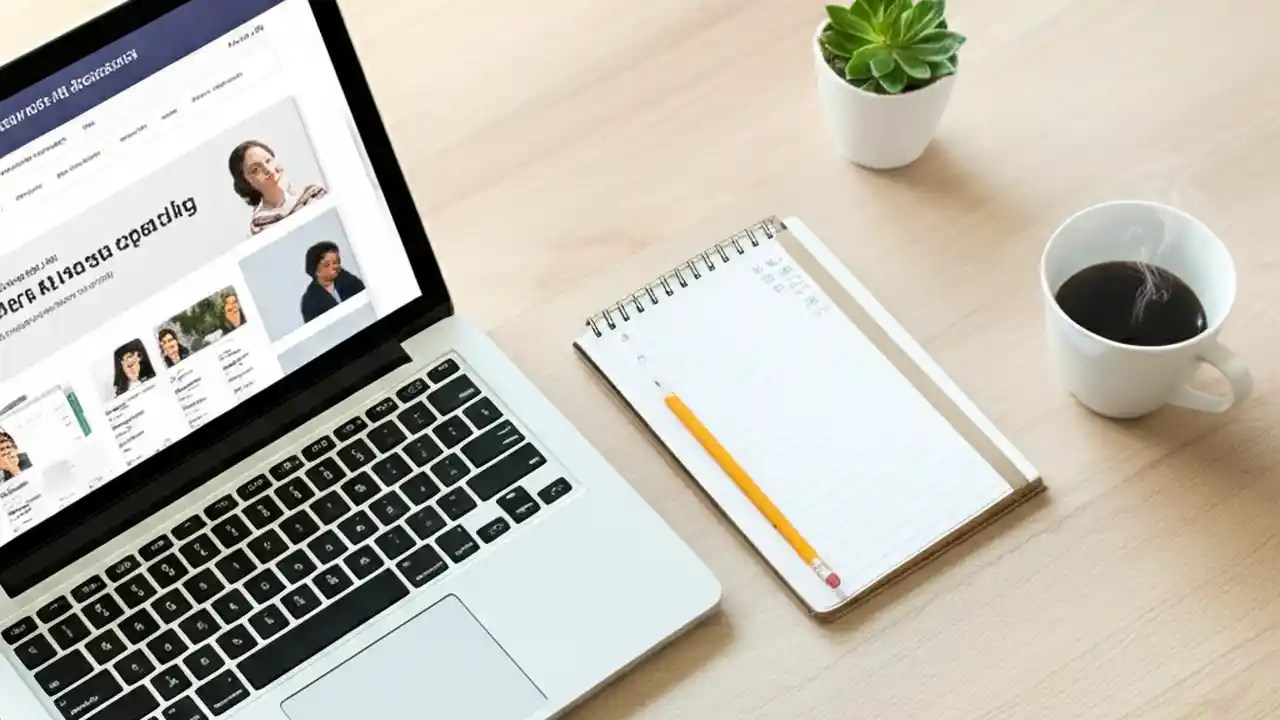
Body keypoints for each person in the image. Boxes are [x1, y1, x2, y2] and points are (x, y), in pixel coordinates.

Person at [228, 140, 328, 236]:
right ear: (246, 183)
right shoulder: (259, 224)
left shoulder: (314, 193)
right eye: (255, 170)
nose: (268, 170)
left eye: (268, 160)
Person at [301, 242, 366, 322]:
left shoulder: (349, 280)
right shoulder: (310, 301)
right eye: (327, 265)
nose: (334, 267)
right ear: (316, 271)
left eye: (336, 262)